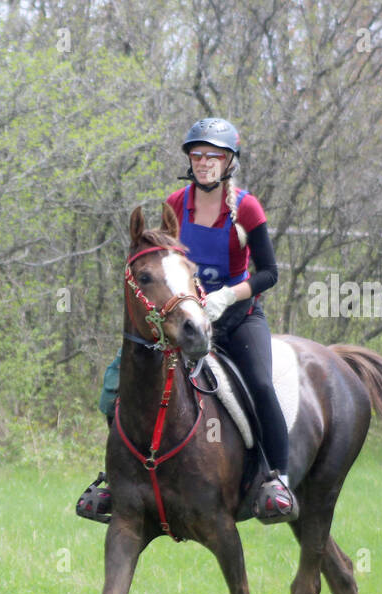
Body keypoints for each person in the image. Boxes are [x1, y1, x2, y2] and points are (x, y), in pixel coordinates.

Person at [76, 117, 297, 525]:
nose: (205, 163)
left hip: (237, 316)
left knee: (261, 385)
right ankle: (116, 478)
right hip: (185, 317)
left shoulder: (246, 207)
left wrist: (228, 295)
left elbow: (269, 272)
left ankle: (275, 480)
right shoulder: (176, 204)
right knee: (117, 384)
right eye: (198, 156)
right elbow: (164, 263)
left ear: (229, 162)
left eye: (214, 156)